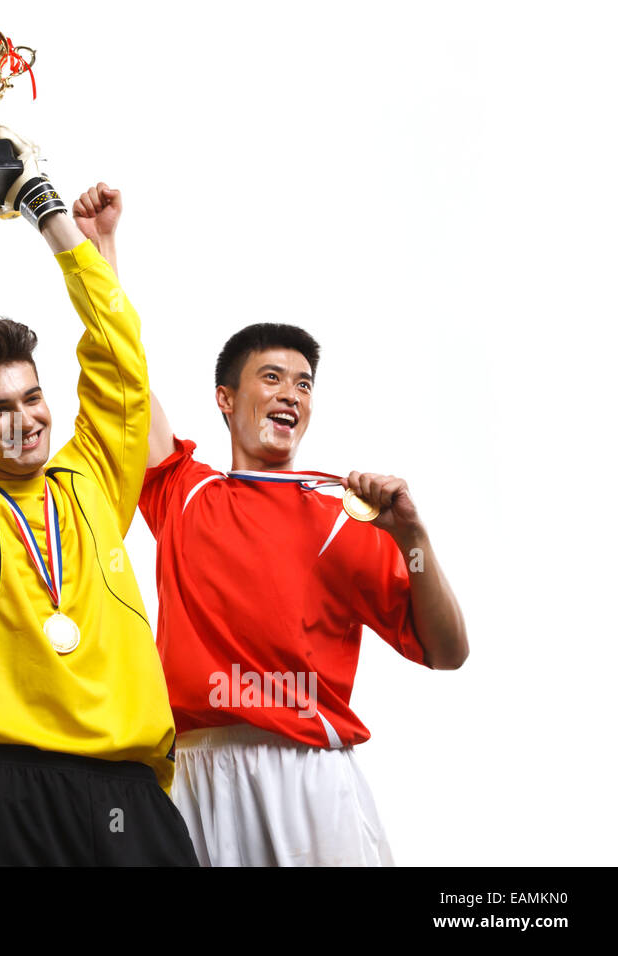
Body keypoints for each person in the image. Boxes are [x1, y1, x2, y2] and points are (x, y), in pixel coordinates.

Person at [80, 193, 469, 866]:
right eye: (272, 377)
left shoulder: (348, 516)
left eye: (305, 383)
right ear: (226, 400)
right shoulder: (182, 488)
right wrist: (101, 250)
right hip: (199, 770)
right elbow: (122, 375)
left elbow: (450, 652)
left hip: (308, 775)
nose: (293, 393)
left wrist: (413, 537)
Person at [0, 126, 198, 866]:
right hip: (7, 790)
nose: (26, 420)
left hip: (129, 789)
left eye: (34, 398)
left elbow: (120, 354)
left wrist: (48, 214)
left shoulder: (96, 478)